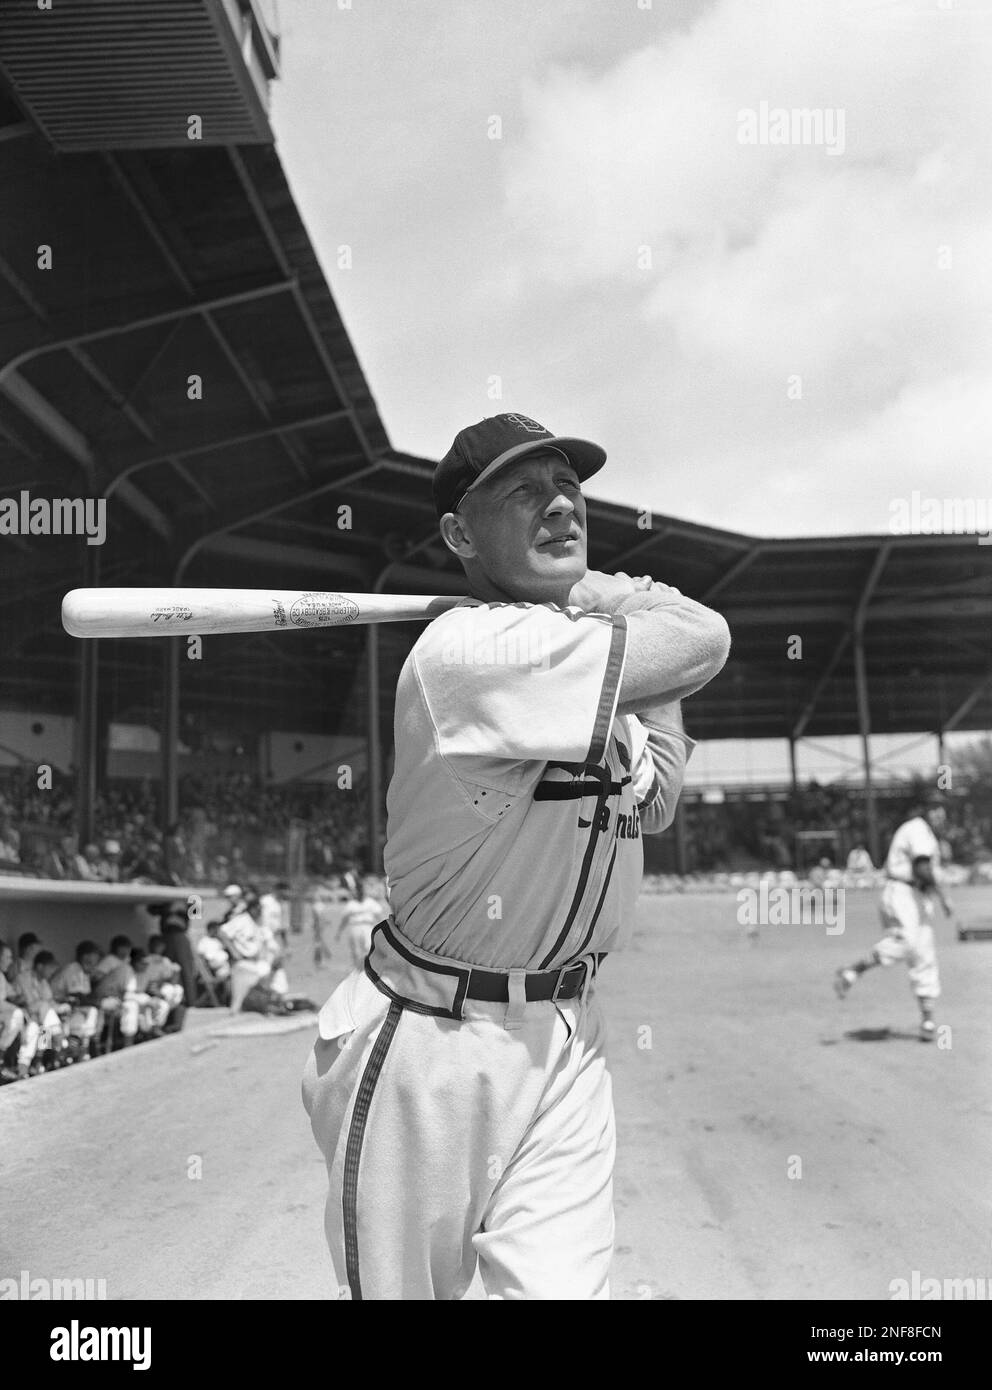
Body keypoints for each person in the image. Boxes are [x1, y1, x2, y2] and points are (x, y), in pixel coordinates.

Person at [302, 411, 730, 1300]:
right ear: (460, 532)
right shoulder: (467, 651)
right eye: (524, 491)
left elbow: (654, 800)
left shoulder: (583, 668)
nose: (561, 506)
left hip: (569, 1032)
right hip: (432, 1040)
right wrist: (619, 600)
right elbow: (702, 638)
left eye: (568, 486)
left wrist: (641, 666)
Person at [834, 793, 953, 1040]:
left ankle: (928, 1021)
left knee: (924, 954)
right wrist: (943, 897)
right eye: (935, 808)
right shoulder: (918, 830)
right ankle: (854, 968)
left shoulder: (929, 835)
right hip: (901, 892)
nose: (939, 814)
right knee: (906, 942)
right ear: (927, 811)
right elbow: (921, 868)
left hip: (917, 897)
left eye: (942, 809)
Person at [50, 941, 102, 1059]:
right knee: (44, 1029)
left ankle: (79, 1051)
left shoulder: (83, 972)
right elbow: (78, 996)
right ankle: (44, 1059)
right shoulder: (73, 969)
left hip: (61, 1007)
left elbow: (81, 997)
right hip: (53, 1008)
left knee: (87, 1014)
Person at [335, 876, 387, 972]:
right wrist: (339, 932)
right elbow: (344, 919)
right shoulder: (351, 904)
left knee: (368, 948)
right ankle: (358, 970)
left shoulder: (371, 903)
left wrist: (386, 930)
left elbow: (380, 917)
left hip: (367, 926)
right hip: (355, 927)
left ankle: (367, 969)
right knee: (356, 951)